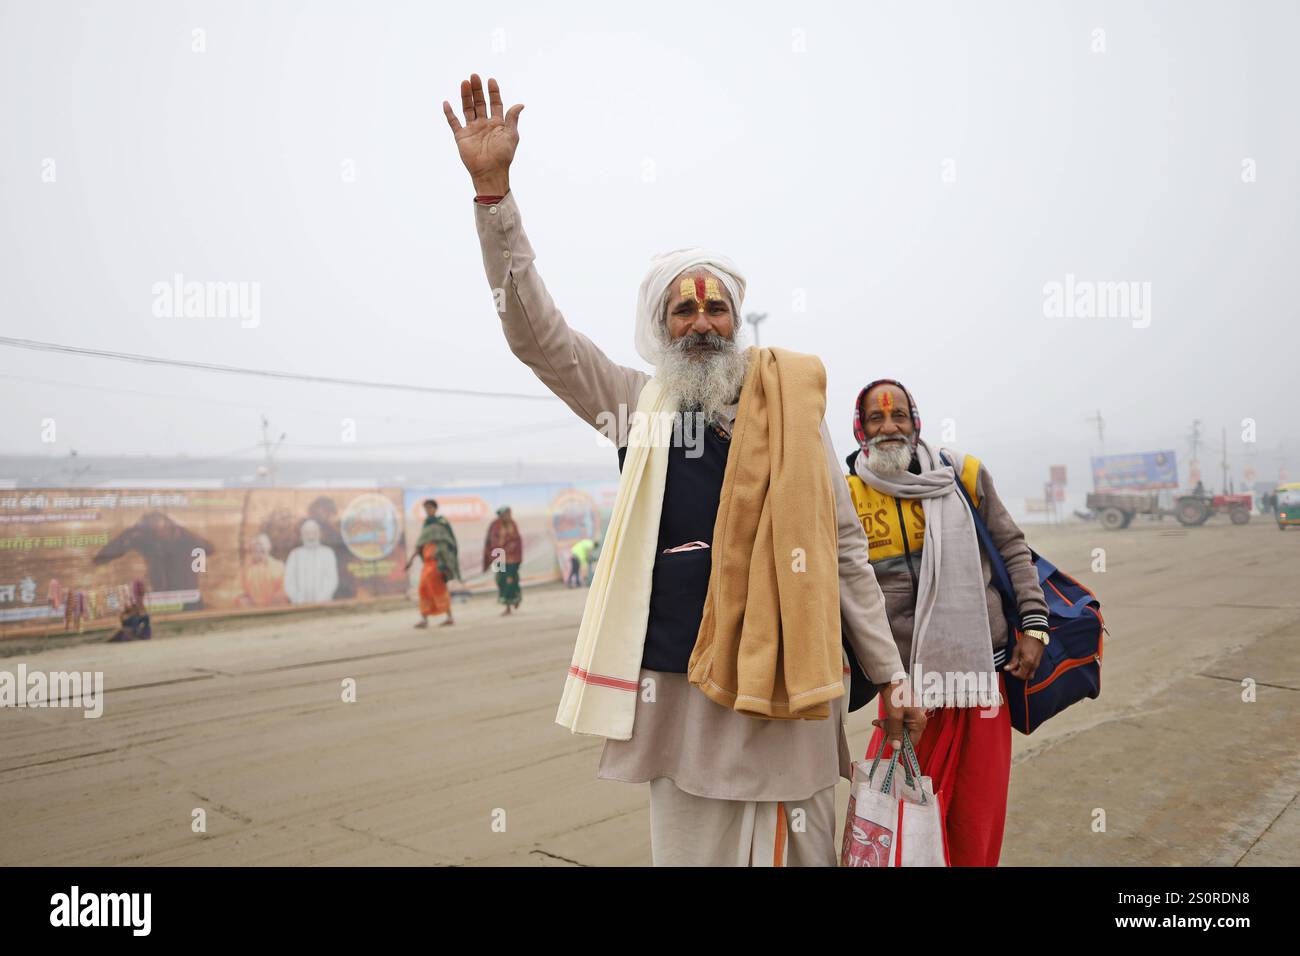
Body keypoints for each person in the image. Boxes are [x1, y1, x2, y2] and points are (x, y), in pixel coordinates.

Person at [444, 73, 924, 867]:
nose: (702, 322)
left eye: (716, 308)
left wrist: (892, 674)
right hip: (685, 691)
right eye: (683, 309)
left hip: (794, 689)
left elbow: (845, 557)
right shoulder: (636, 405)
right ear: (661, 327)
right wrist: (494, 197)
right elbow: (539, 337)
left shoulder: (793, 414)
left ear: (736, 320)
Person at [844, 379, 1051, 867]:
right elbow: (846, 589)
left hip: (980, 677)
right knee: (899, 807)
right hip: (903, 688)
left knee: (975, 812)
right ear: (860, 430)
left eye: (899, 417)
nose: (889, 427)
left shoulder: (964, 475)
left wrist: (1035, 624)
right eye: (876, 418)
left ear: (916, 423)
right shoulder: (846, 493)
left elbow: (1013, 549)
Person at [407, 499, 460, 628]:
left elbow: (449, 542)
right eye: (425, 508)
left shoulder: (441, 523)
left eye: (430, 507)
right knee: (423, 589)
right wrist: (411, 560)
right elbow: (420, 544)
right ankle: (424, 618)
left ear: (435, 509)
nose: (427, 510)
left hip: (438, 562)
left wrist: (447, 561)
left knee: (439, 588)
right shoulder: (426, 524)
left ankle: (449, 617)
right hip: (427, 563)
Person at [284, 519, 339, 605]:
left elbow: (331, 580)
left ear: (319, 534)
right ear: (301, 536)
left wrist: (320, 600)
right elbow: (289, 582)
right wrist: (299, 600)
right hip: (299, 606)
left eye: (314, 532)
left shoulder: (328, 553)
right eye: (307, 533)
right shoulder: (295, 554)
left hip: (324, 605)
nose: (311, 537)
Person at [484, 506, 523, 615]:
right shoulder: (495, 525)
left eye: (509, 513)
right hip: (499, 557)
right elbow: (491, 541)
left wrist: (511, 548)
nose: (508, 516)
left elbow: (517, 541)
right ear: (501, 515)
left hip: (512, 558)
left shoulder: (513, 524)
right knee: (500, 580)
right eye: (506, 514)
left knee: (511, 580)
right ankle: (509, 603)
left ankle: (512, 602)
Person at [240, 533, 287, 607]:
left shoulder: (279, 566)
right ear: (251, 549)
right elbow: (240, 592)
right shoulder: (245, 569)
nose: (258, 548)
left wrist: (271, 606)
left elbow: (284, 590)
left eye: (261, 545)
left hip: (274, 611)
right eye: (255, 546)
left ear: (269, 547)